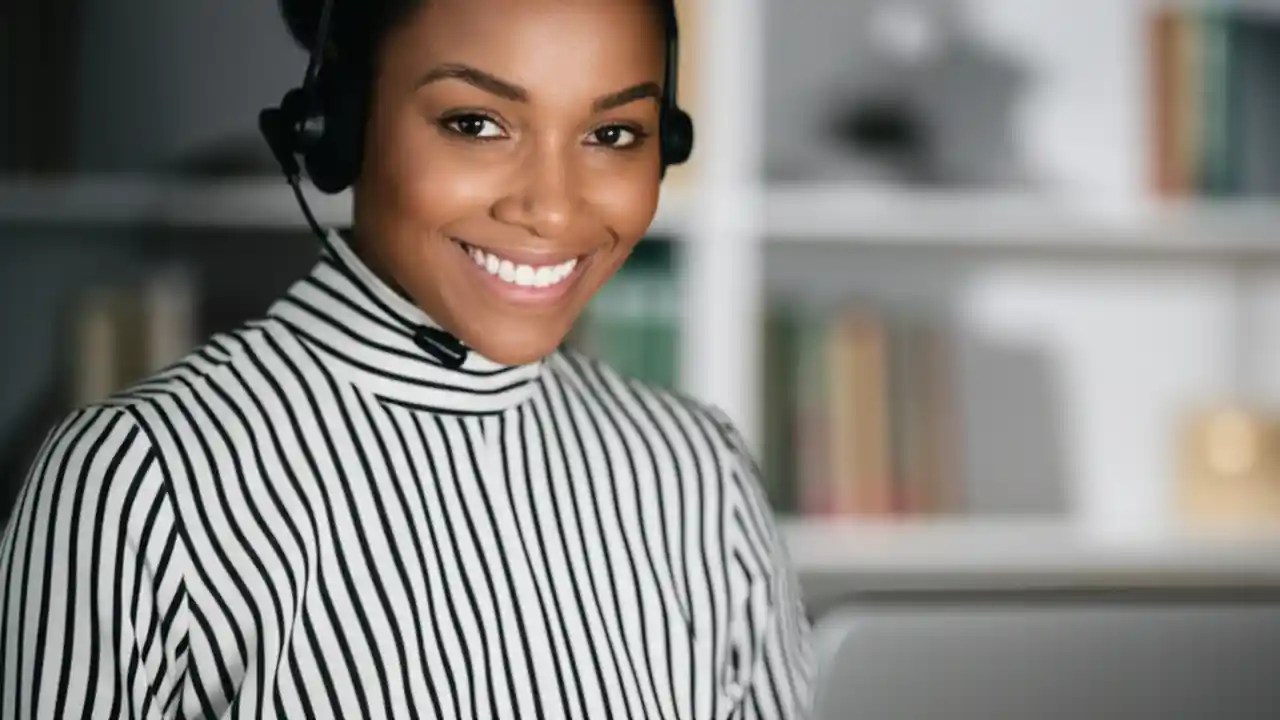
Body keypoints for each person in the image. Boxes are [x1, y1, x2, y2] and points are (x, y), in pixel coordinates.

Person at [0, 0, 814, 717]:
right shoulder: (143, 476)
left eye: (613, 134)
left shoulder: (698, 470)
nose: (553, 205)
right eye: (476, 124)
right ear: (340, 129)